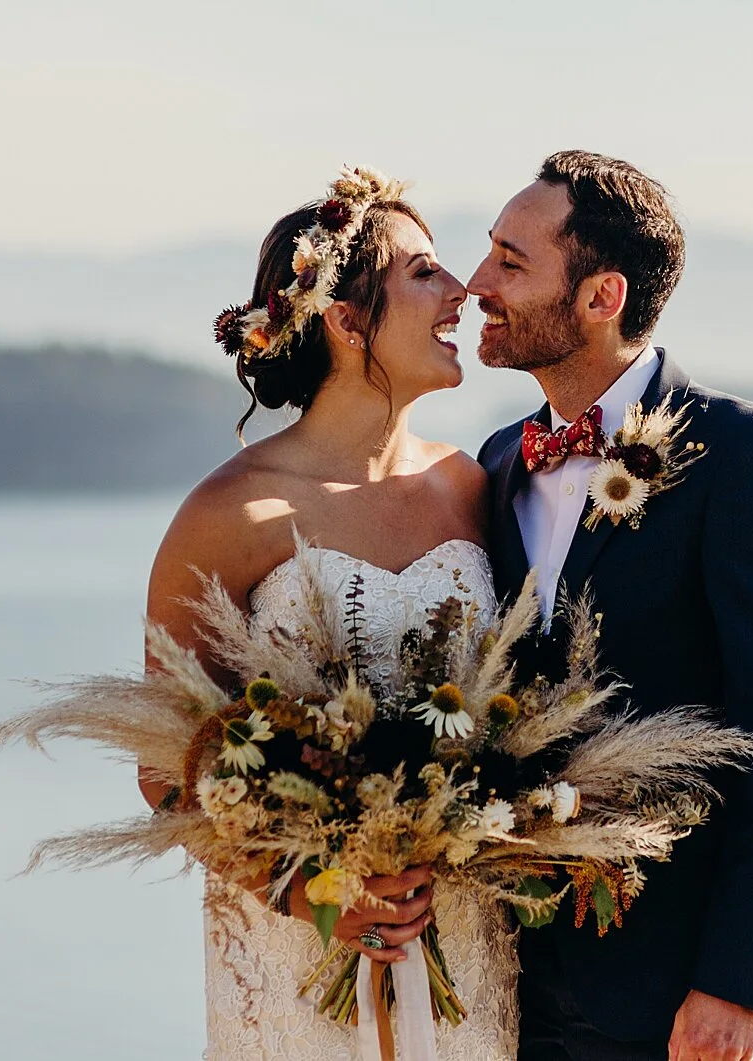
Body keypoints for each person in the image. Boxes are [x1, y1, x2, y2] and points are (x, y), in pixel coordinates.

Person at [468, 151, 753, 1061]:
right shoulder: (493, 464)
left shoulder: (749, 457)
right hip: (508, 991)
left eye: (510, 264)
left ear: (602, 297)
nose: (477, 282)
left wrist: (737, 984)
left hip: (682, 1001)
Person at [139, 168, 519, 1059]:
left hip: (461, 928)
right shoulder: (231, 512)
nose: (461, 288)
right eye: (424, 273)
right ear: (349, 323)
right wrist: (311, 888)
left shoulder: (471, 486)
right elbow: (165, 765)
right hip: (303, 957)